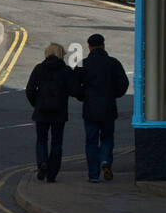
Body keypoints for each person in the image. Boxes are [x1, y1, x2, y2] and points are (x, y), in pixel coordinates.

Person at [72, 33, 130, 182]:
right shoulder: (113, 63)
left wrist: (83, 96)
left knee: (91, 141)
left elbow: (74, 86)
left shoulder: (83, 64)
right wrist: (113, 94)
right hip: (108, 108)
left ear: (89, 47)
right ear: (103, 45)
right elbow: (124, 84)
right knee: (107, 137)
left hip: (90, 108)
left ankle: (93, 175)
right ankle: (105, 161)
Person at [25, 42, 72, 183]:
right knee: (57, 143)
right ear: (61, 54)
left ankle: (42, 163)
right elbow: (75, 89)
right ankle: (52, 174)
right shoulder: (66, 70)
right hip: (59, 112)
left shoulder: (39, 69)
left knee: (41, 140)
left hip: (42, 111)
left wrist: (37, 104)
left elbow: (30, 90)